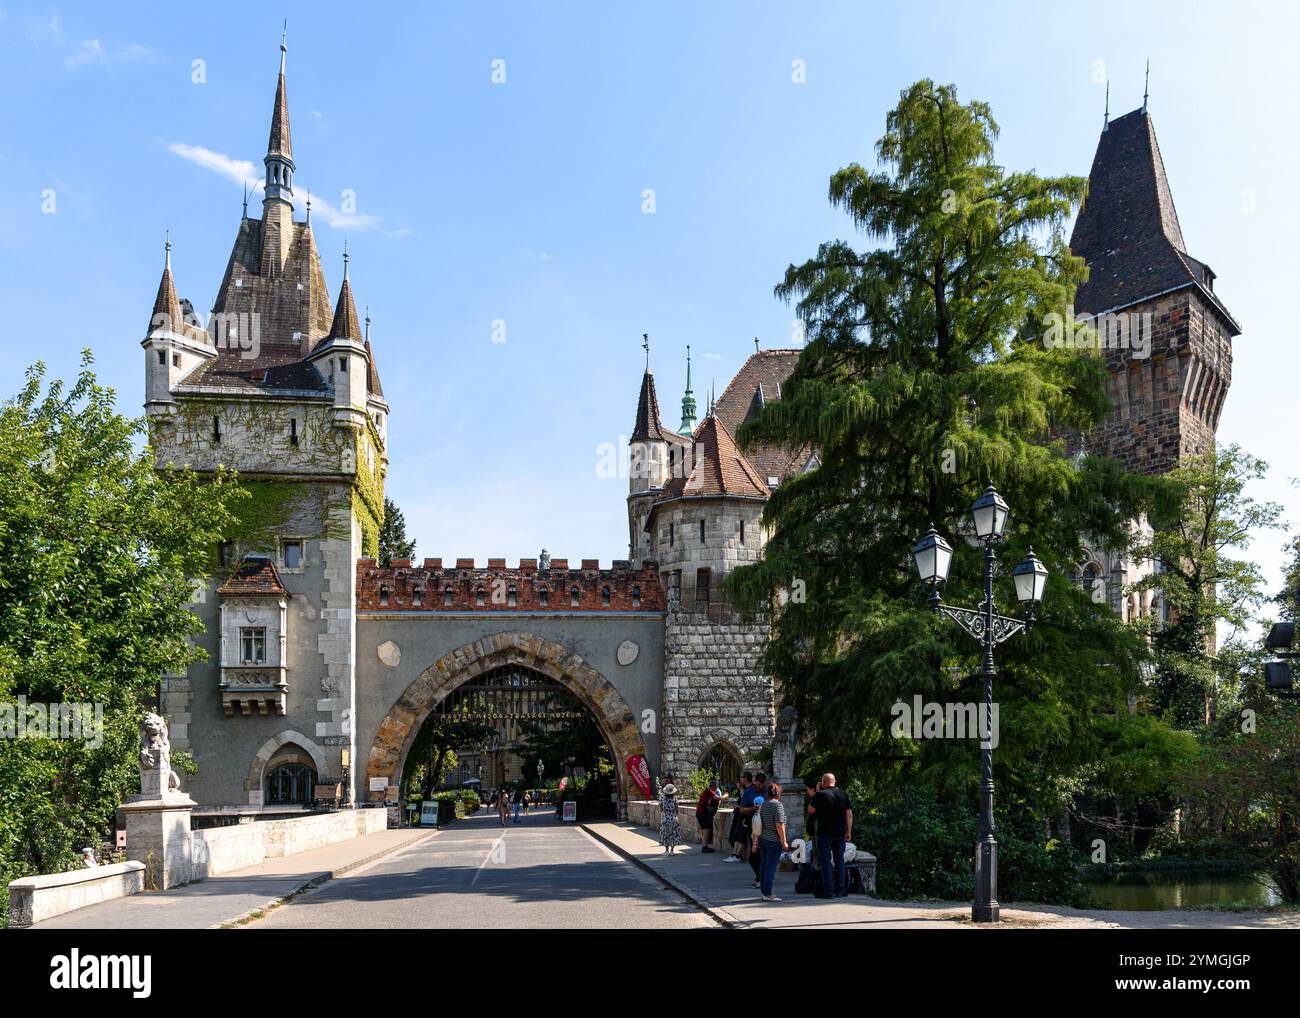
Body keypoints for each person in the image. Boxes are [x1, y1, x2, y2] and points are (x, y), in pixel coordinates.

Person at [807, 772, 854, 899]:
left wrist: (817, 791)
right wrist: (848, 831)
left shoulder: (820, 795)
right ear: (835, 782)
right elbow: (849, 814)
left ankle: (828, 891)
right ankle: (841, 890)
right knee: (840, 860)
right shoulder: (844, 795)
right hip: (840, 833)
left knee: (826, 861)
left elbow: (810, 810)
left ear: (823, 783)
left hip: (825, 833)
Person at [752, 782, 789, 901]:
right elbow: (780, 825)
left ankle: (764, 892)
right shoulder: (777, 805)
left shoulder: (764, 804)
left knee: (764, 866)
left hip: (763, 839)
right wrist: (784, 841)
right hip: (773, 840)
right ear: (778, 793)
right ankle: (768, 894)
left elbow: (759, 823)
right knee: (771, 868)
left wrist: (756, 840)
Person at [724, 772, 752, 862]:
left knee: (742, 836)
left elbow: (750, 805)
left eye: (742, 777)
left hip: (746, 816)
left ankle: (737, 855)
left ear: (746, 778)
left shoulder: (751, 790)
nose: (740, 780)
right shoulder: (745, 790)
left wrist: (739, 807)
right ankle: (734, 854)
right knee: (737, 835)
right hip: (741, 815)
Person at [695, 777, 723, 853]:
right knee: (707, 829)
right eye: (716, 787)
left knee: (704, 829)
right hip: (703, 813)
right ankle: (705, 847)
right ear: (713, 786)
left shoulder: (707, 790)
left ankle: (704, 846)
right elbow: (718, 798)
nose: (717, 789)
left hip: (700, 812)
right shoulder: (709, 791)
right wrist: (726, 795)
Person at [659, 776, 685, 854]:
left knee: (666, 833)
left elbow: (661, 809)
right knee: (673, 834)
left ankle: (666, 850)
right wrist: (675, 815)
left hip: (666, 817)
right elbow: (677, 808)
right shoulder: (675, 798)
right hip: (673, 817)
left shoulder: (662, 799)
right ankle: (672, 851)